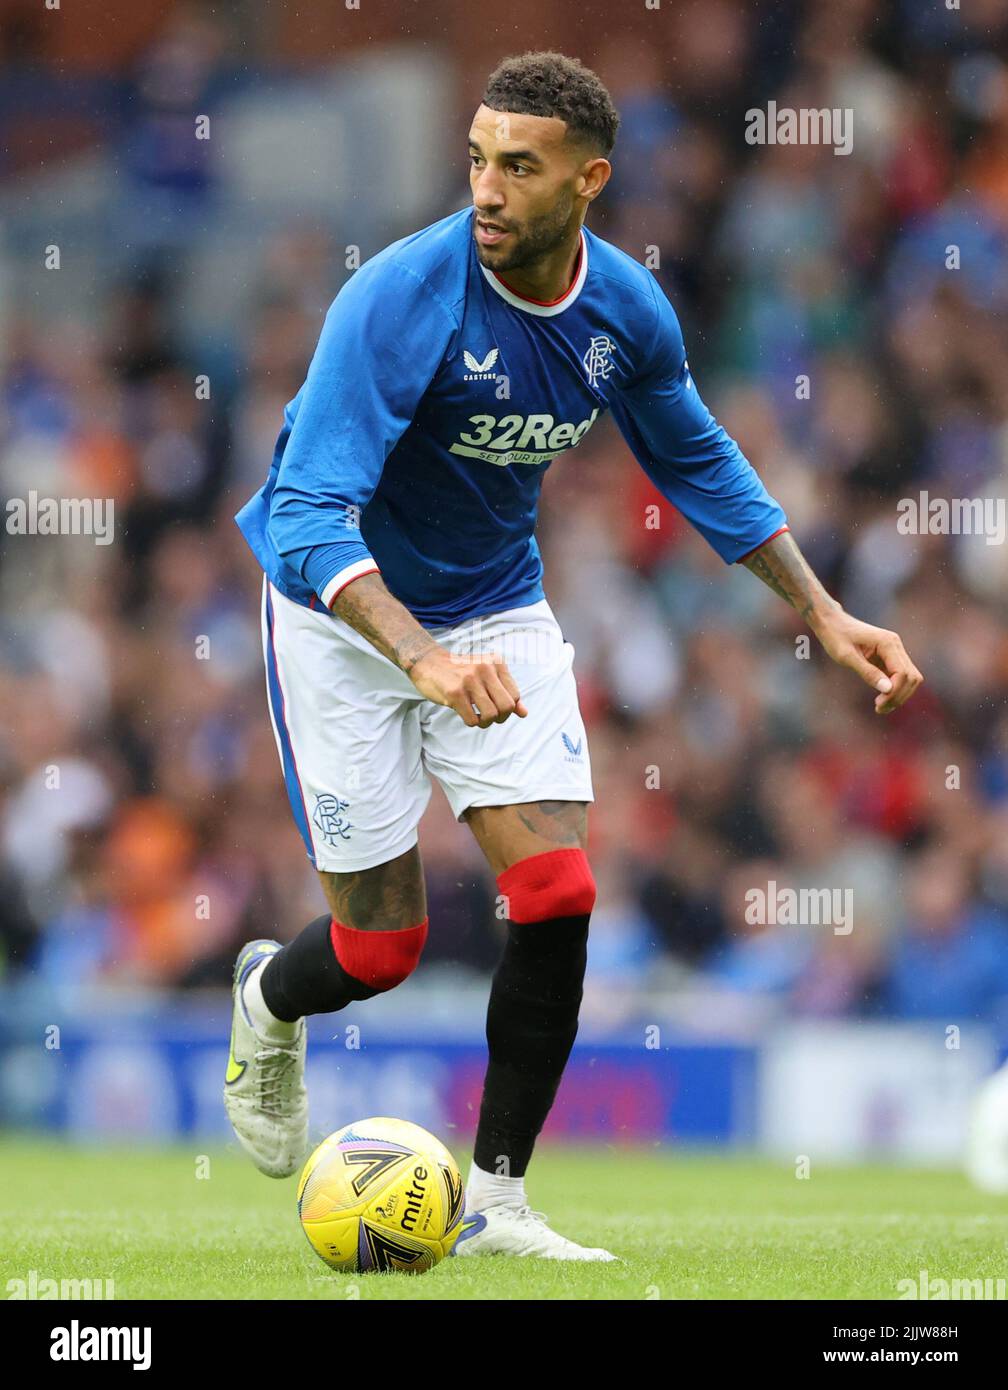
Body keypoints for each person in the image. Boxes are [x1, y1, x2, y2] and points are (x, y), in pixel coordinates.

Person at [226, 51, 923, 1261]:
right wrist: (423, 663)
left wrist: (818, 608)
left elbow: (695, 457)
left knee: (556, 888)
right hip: (344, 616)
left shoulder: (625, 311)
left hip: (495, 600)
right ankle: (266, 997)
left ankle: (497, 1202)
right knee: (381, 949)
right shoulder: (398, 298)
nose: (487, 190)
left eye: (521, 166)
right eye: (478, 161)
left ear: (590, 180)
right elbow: (303, 517)